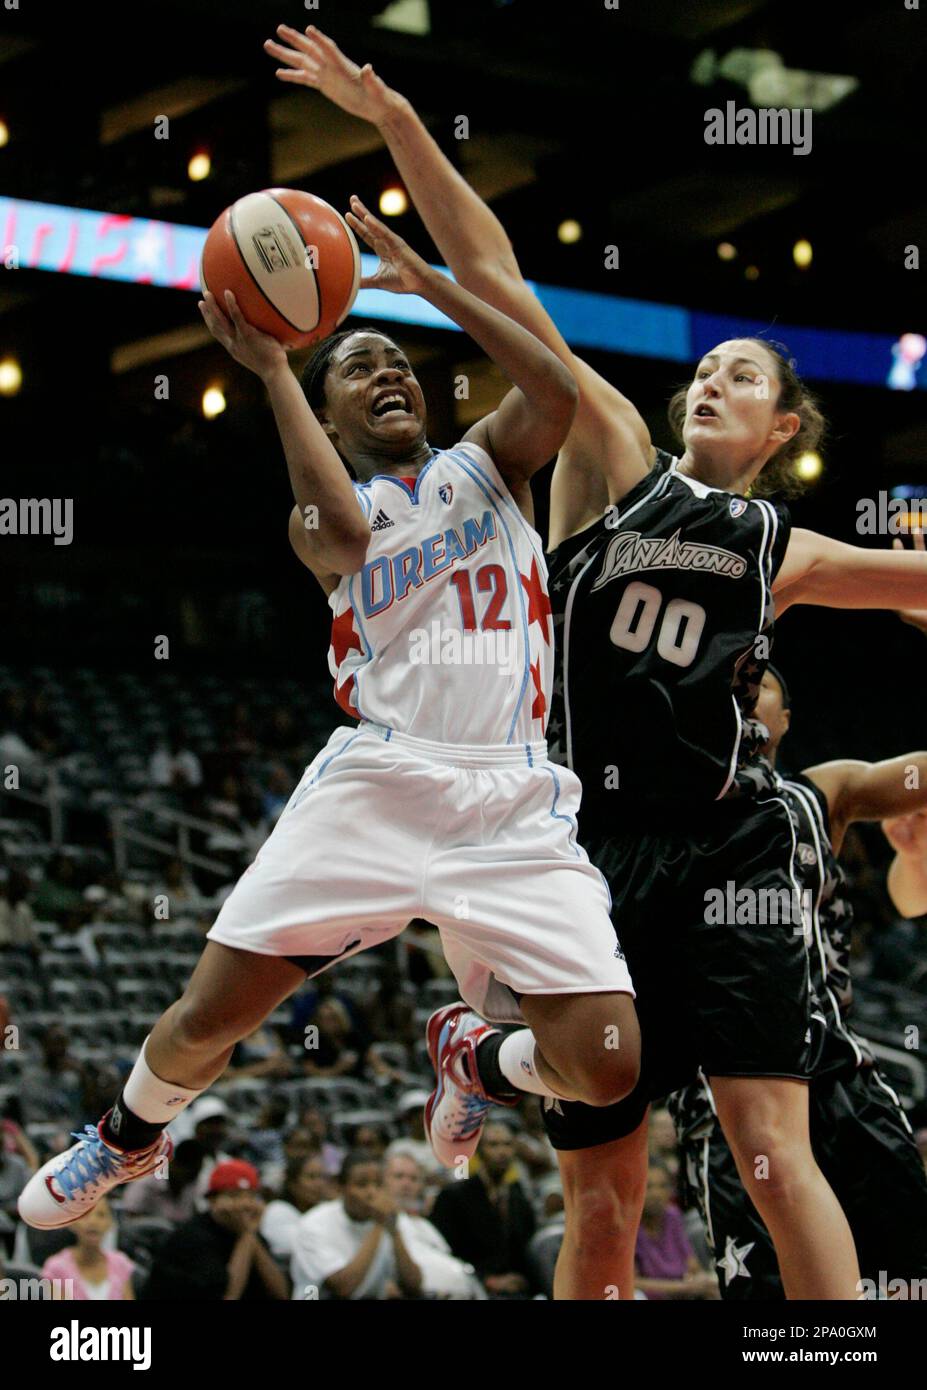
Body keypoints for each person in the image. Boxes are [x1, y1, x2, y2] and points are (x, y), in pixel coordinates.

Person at [278, 25, 927, 1300]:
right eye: (703, 366)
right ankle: (481, 1052)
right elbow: (495, 272)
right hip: (582, 846)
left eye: (738, 375)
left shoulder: (772, 546)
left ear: (781, 427)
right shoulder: (613, 459)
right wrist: (397, 117)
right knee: (605, 1201)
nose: (706, 382)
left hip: (724, 847)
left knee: (773, 1156)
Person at [19, 181, 638, 1233]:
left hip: (513, 796)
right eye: (357, 368)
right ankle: (127, 1134)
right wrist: (270, 370)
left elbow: (556, 391)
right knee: (212, 1013)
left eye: (395, 363)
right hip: (382, 782)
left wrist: (428, 286)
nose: (388, 373)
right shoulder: (329, 515)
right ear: (331, 411)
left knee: (607, 1065)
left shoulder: (490, 466)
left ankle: (473, 1054)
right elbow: (341, 536)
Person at [669, 667, 927, 1299]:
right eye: (732, 684)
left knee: (906, 1283)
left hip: (840, 1081)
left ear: (786, 720)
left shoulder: (822, 793)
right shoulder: (662, 812)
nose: (748, 692)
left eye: (762, 684)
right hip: (726, 1098)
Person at [140, 1160, 288, 1301]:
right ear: (212, 1200)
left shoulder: (250, 1232)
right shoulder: (191, 1237)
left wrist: (249, 1235)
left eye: (250, 1196)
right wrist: (246, 1235)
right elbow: (228, 1296)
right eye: (234, 1196)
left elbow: (281, 1294)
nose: (244, 1204)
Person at [290, 1151, 422, 1300]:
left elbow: (413, 1285)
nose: (372, 1192)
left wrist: (395, 1233)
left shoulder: (394, 1219)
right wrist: (379, 1224)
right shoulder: (314, 1224)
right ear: (340, 1188)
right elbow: (343, 1288)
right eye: (362, 1184)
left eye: (379, 1184)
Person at [429, 1121, 536, 1298]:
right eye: (493, 1145)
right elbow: (442, 1252)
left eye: (507, 1145)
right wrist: (486, 1279)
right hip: (469, 1288)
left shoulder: (519, 1198)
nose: (502, 1152)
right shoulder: (453, 1196)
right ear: (478, 1150)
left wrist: (522, 1279)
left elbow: (525, 1250)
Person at [383, 1151, 483, 1297]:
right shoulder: (376, 1221)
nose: (406, 1184)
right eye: (399, 1176)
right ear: (382, 1180)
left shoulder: (426, 1225)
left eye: (413, 1179)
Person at [634, 1163, 718, 1301]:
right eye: (648, 1187)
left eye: (663, 1186)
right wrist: (684, 1287)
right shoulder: (629, 1227)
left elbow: (693, 1267)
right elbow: (633, 1282)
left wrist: (702, 1280)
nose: (656, 1194)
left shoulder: (673, 1216)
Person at [41, 1199, 135, 1300]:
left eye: (101, 1215)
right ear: (71, 1222)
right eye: (85, 1215)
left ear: (110, 1223)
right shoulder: (56, 1268)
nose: (93, 1222)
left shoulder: (120, 1263)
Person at [261, 1153, 328, 1262]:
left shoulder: (325, 1210)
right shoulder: (277, 1210)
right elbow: (293, 1248)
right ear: (293, 1183)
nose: (319, 1184)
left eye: (322, 1177)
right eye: (311, 1177)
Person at [119, 1138, 205, 1224]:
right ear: (174, 1164)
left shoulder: (194, 1183)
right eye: (188, 1173)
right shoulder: (146, 1183)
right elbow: (129, 1218)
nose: (192, 1179)